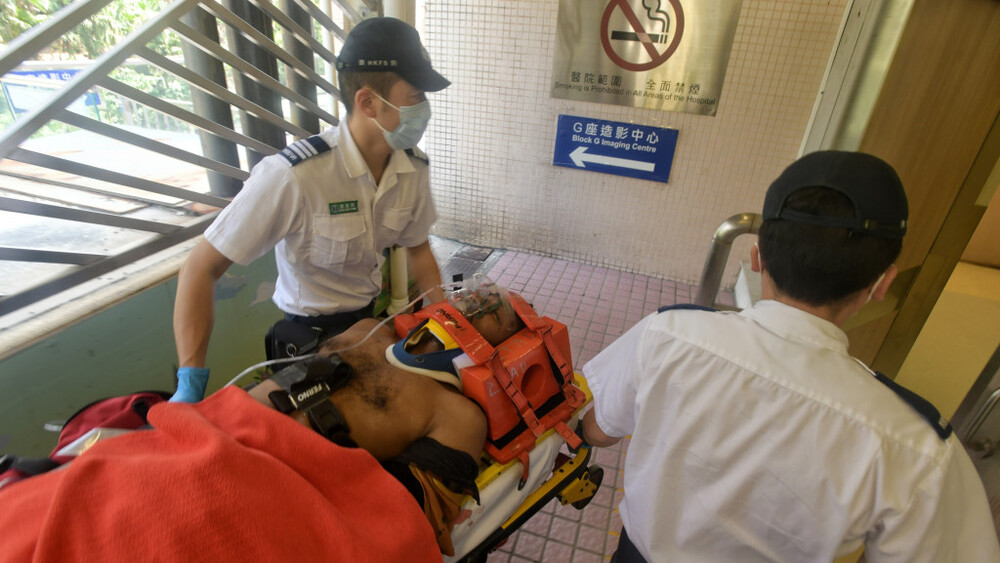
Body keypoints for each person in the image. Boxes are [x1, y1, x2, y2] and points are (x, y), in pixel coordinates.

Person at [580, 151, 1000, 562]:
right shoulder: (918, 448)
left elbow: (599, 429)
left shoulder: (667, 334)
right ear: (881, 283)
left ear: (757, 257)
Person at [1, 284, 527, 560]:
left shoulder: (457, 415)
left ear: (498, 352)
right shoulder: (372, 328)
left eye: (493, 311)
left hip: (254, 491)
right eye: (481, 294)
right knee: (54, 514)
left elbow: (411, 513)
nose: (477, 302)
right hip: (201, 438)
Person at [171, 17, 449, 403]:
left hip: (369, 328)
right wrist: (191, 379)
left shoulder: (411, 168)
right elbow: (201, 267)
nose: (425, 108)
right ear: (368, 102)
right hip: (305, 342)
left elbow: (418, 249)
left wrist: (449, 324)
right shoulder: (295, 176)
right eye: (416, 95)